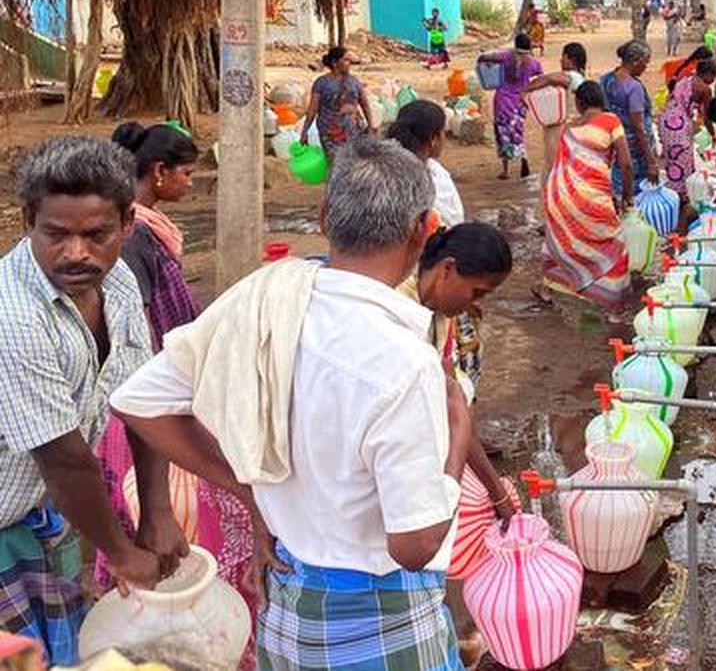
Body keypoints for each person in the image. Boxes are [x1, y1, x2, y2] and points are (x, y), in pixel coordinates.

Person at [111, 137, 472, 669]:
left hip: (288, 607)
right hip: (380, 615)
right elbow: (415, 546)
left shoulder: (264, 300)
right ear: (424, 229)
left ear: (324, 217)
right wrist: (458, 432)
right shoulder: (404, 362)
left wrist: (250, 491)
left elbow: (139, 401)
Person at [0, 137, 186, 666]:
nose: (76, 253)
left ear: (128, 223)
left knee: (62, 653)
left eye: (95, 235)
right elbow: (65, 459)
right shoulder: (13, 316)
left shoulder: (118, 281)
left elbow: (142, 399)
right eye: (56, 234)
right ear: (28, 221)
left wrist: (157, 510)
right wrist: (122, 554)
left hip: (40, 513)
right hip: (15, 515)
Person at [101, 123, 257, 665]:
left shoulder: (150, 233)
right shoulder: (135, 242)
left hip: (161, 390)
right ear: (159, 172)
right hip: (148, 402)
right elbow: (137, 332)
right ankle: (159, 613)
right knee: (158, 508)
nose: (192, 183)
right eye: (187, 173)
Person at [398, 223, 519, 669]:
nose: (476, 304)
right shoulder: (397, 313)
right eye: (478, 291)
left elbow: (454, 406)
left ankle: (447, 624)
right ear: (447, 269)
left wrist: (497, 491)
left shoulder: (438, 314)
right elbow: (453, 416)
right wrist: (471, 488)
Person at [540, 81, 636, 316]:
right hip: (590, 196)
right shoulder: (611, 120)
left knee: (564, 241)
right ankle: (614, 305)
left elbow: (562, 164)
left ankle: (547, 288)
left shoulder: (569, 128)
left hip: (560, 193)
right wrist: (627, 197)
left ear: (580, 103)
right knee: (614, 245)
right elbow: (626, 164)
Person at [388, 99, 466, 227]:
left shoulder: (435, 170)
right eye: (443, 132)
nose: (445, 139)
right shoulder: (428, 180)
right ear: (433, 139)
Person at [522, 42, 589, 185]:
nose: (561, 60)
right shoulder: (580, 78)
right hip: (570, 128)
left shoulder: (572, 77)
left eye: (563, 57)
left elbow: (548, 78)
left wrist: (525, 90)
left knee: (557, 168)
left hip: (563, 129)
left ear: (570, 59)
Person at [479, 34, 543, 180]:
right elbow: (540, 79)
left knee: (503, 133)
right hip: (520, 101)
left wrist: (485, 57)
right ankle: (523, 157)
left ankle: (506, 170)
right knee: (517, 131)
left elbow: (484, 58)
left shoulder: (506, 56)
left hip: (502, 99)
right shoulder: (534, 63)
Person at [601, 40, 658, 199]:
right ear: (636, 61)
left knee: (619, 185)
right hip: (636, 151)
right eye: (646, 62)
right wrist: (651, 161)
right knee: (638, 194)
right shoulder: (633, 88)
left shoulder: (606, 80)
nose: (646, 67)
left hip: (616, 143)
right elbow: (639, 128)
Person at [300, 46, 374, 163]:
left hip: (354, 131)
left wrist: (370, 125)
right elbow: (312, 109)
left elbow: (365, 104)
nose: (349, 63)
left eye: (349, 60)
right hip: (330, 133)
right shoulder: (321, 83)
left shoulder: (354, 82)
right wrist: (305, 131)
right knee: (336, 163)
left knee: (355, 162)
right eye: (345, 60)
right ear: (335, 63)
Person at [660, 59, 716, 205]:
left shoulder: (686, 79)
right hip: (679, 125)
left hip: (667, 121)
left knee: (673, 159)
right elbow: (706, 116)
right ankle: (683, 198)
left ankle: (674, 195)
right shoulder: (704, 89)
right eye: (713, 76)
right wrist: (713, 134)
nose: (713, 80)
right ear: (706, 73)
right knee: (684, 161)